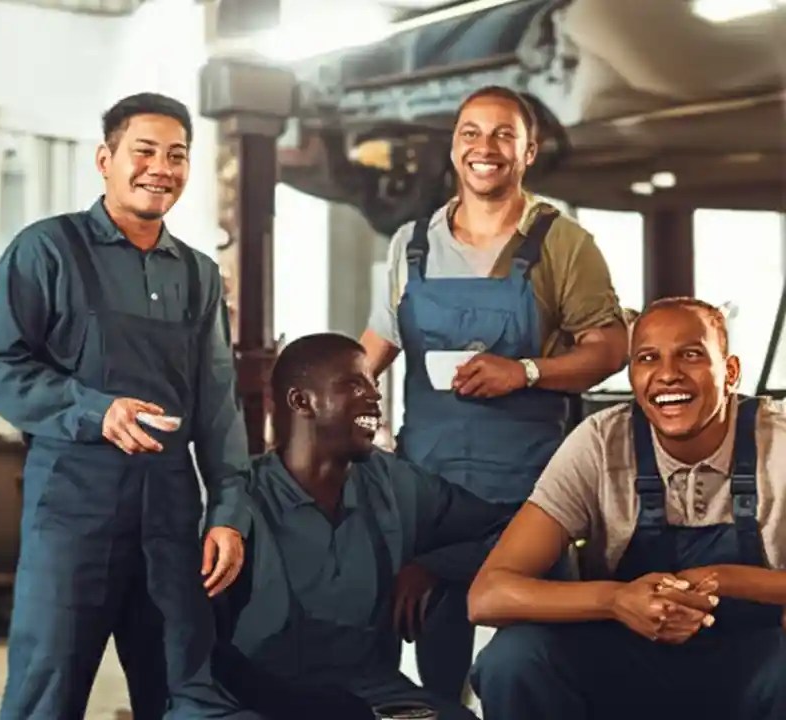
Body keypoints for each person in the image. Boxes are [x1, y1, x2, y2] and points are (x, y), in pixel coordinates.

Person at [0, 92, 254, 719]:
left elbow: (217, 405)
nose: (162, 168)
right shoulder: (47, 250)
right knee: (47, 693)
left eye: (177, 156)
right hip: (74, 514)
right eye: (144, 151)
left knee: (187, 695)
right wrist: (95, 410)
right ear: (105, 159)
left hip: (171, 521)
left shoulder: (199, 275)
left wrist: (229, 512)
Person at [359, 85, 629, 697]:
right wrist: (328, 406)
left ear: (528, 151)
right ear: (455, 147)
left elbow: (610, 349)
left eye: (504, 134)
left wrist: (526, 371)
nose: (486, 147)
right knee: (437, 671)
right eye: (471, 132)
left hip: (533, 501)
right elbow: (371, 352)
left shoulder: (563, 244)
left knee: (530, 664)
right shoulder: (412, 246)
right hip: (432, 500)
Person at [468, 298, 786, 720]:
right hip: (626, 666)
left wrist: (720, 580)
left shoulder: (778, 439)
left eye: (690, 355)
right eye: (647, 358)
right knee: (513, 659)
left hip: (756, 671)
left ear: (730, 372)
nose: (667, 374)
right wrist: (616, 599)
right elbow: (487, 596)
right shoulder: (600, 443)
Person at [210, 333, 512, 720]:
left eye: (374, 383)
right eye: (354, 384)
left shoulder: (395, 484)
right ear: (302, 402)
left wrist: (438, 565)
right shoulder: (238, 501)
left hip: (375, 695)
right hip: (256, 700)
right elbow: (201, 654)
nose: (375, 397)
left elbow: (511, 528)